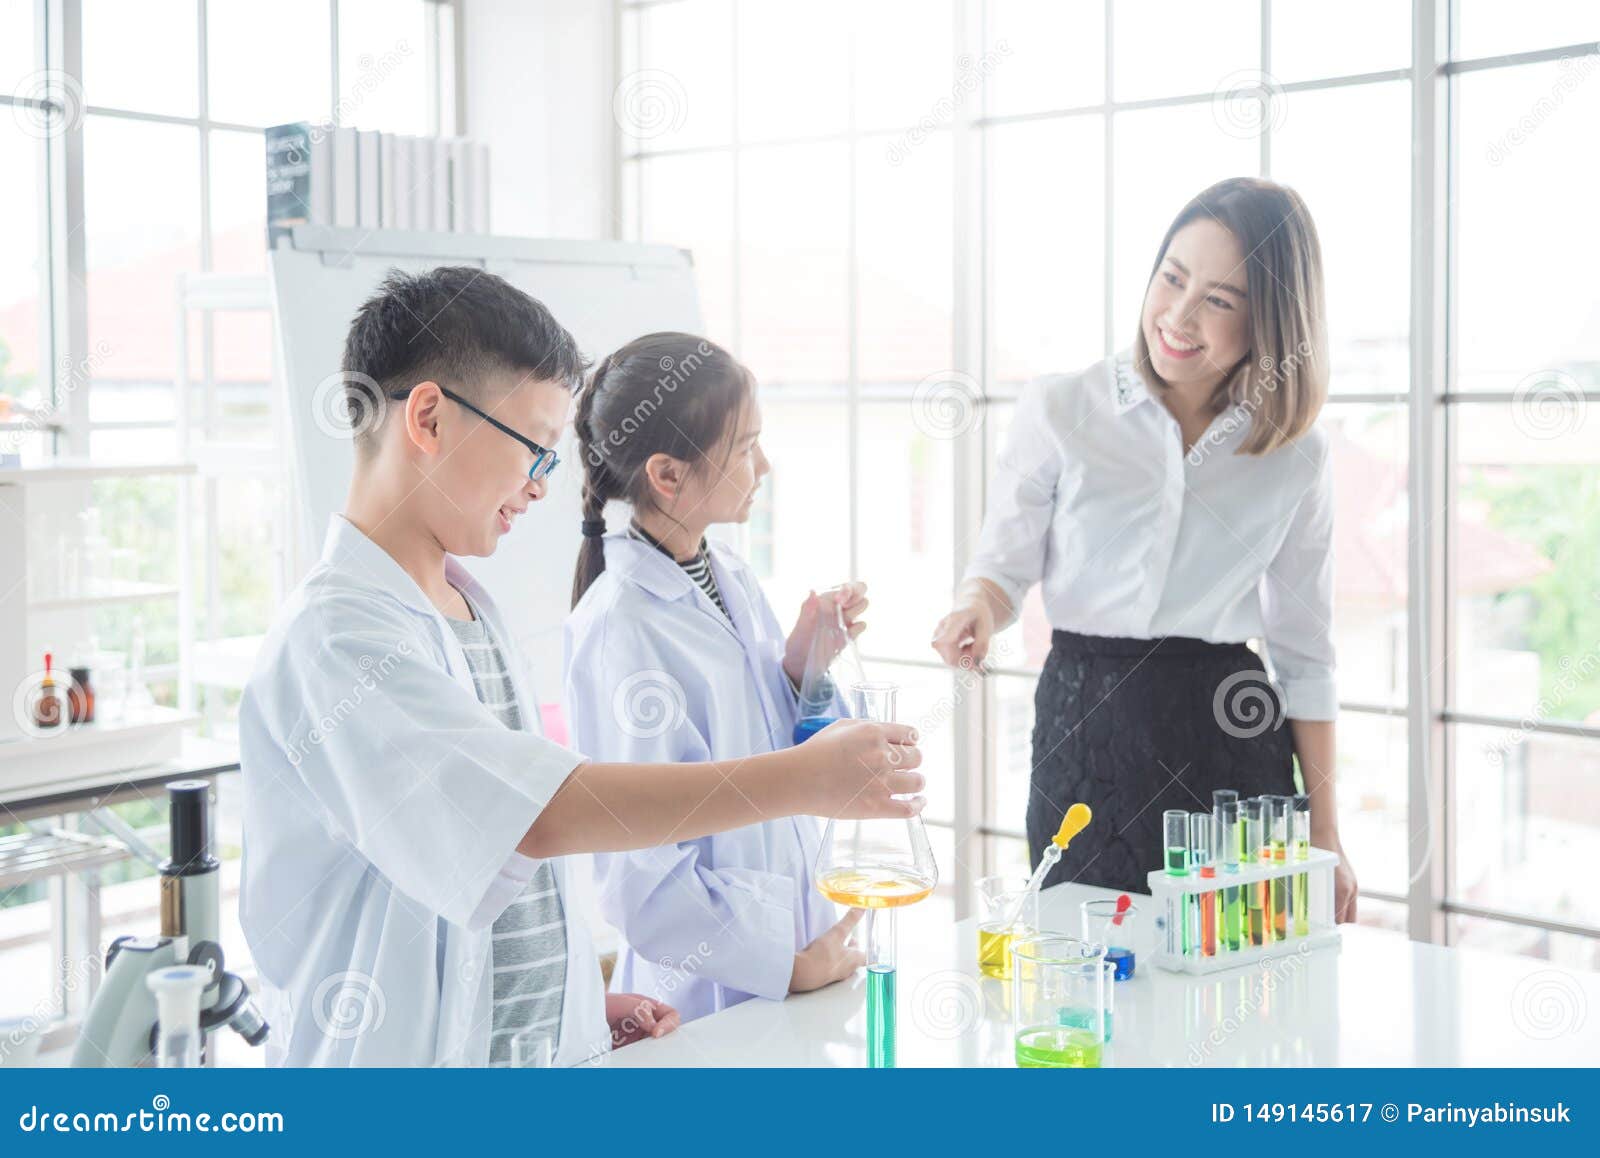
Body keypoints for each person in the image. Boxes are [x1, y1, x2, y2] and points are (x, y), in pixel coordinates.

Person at [239, 268, 923, 1066]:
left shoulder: (467, 609)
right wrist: (805, 778)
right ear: (428, 417)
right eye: (534, 447)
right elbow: (536, 818)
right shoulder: (338, 636)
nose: (540, 485)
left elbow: (488, 888)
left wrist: (571, 1007)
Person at [932, 178, 1357, 920]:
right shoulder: (1062, 408)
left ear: (1270, 321)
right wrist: (975, 607)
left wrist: (1326, 835)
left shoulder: (1295, 454)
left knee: (1232, 966)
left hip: (1231, 737)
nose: (1179, 316)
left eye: (1219, 300)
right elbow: (1000, 569)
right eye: (1172, 277)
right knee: (1084, 961)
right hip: (1085, 727)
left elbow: (1306, 654)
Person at [564, 332, 868, 1022]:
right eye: (744, 448)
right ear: (668, 476)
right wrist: (786, 966)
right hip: (704, 994)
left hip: (798, 955)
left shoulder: (727, 573)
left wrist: (802, 666)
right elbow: (638, 878)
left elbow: (764, 749)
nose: (764, 465)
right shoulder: (621, 627)